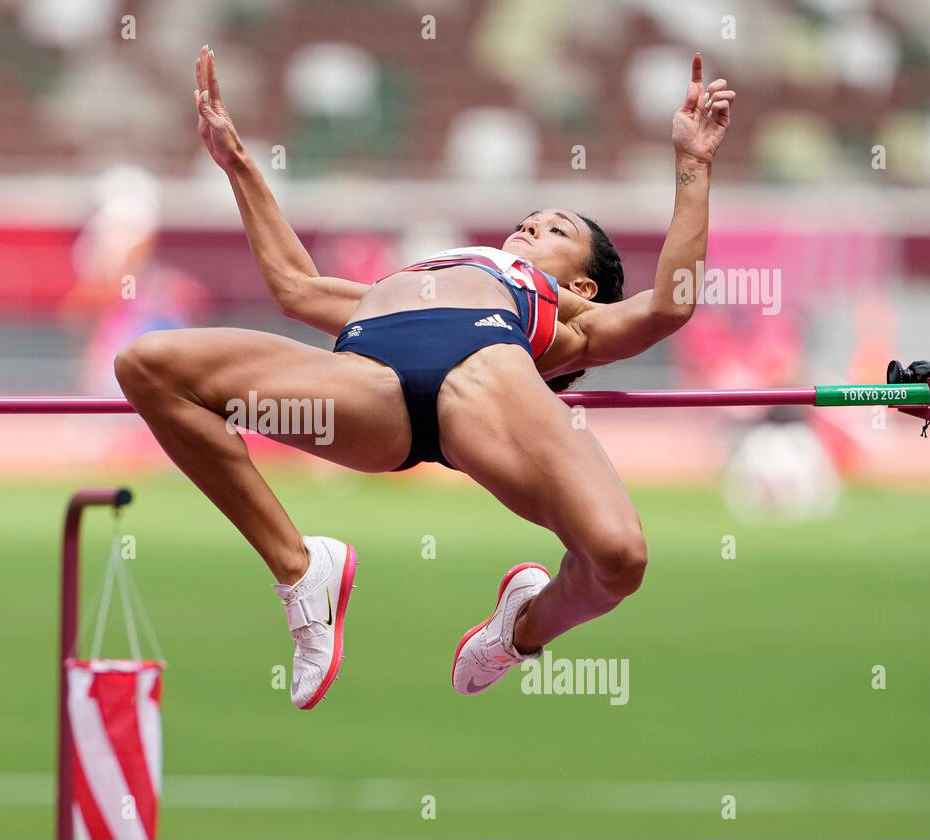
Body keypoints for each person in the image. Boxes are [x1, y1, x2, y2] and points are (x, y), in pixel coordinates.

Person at [115, 46, 735, 710]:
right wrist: (236, 160)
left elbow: (672, 303)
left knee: (618, 559)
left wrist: (693, 164)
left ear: (581, 281)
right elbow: (295, 286)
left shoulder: (569, 311)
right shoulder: (413, 277)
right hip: (368, 389)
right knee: (148, 365)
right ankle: (303, 572)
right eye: (526, 220)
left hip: (486, 390)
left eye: (555, 229)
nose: (529, 227)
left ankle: (521, 629)